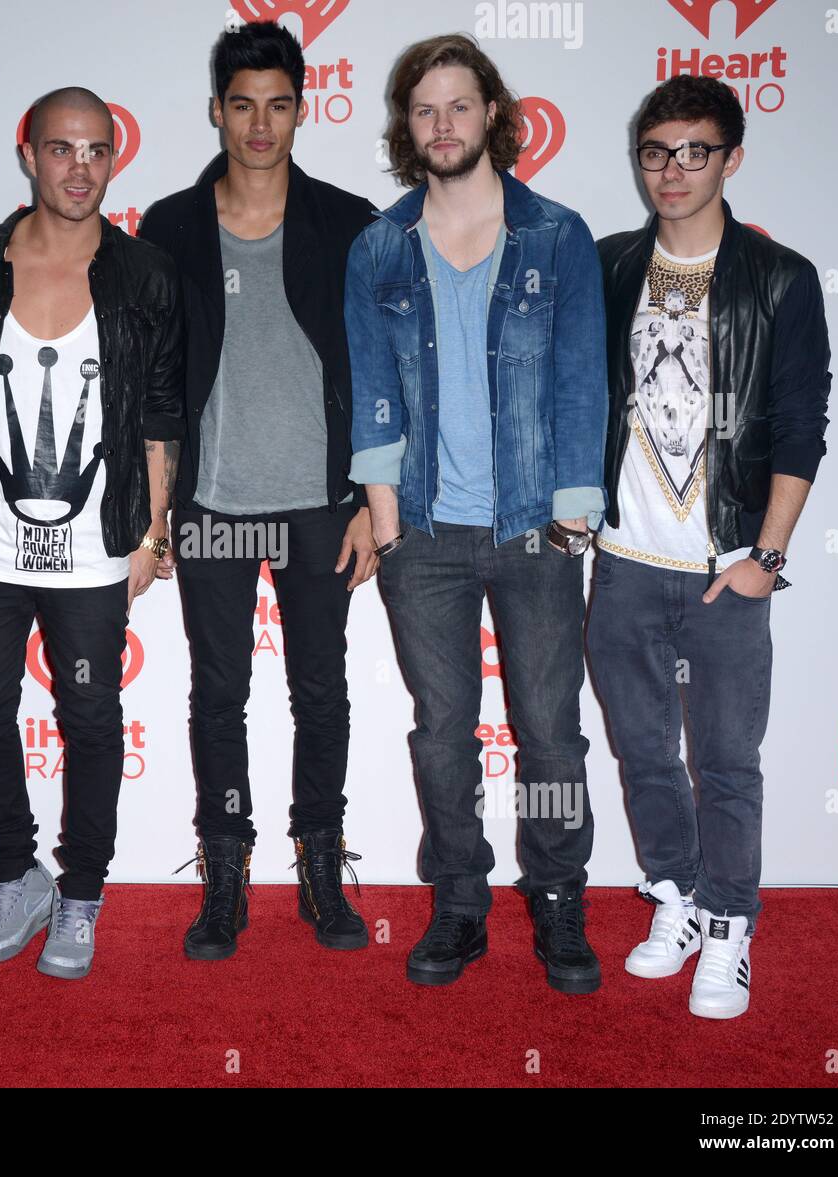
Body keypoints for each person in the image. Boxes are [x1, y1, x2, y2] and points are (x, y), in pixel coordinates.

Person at [346, 34, 607, 991]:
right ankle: (460, 902)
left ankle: (557, 898)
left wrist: (575, 506)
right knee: (442, 728)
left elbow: (583, 376)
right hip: (422, 532)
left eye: (459, 105)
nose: (443, 124)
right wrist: (383, 515)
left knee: (549, 730)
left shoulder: (557, 235)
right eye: (425, 109)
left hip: (537, 527)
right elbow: (372, 389)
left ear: (493, 113)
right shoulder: (380, 244)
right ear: (406, 127)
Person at [588, 74, 831, 1019]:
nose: (674, 170)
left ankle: (731, 925)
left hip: (726, 570)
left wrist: (764, 558)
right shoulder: (611, 268)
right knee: (644, 753)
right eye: (657, 152)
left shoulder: (781, 278)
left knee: (726, 760)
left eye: (695, 150)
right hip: (624, 563)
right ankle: (678, 898)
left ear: (732, 156)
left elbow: (802, 425)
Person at [139, 20, 378, 960]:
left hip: (320, 499)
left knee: (322, 690)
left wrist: (370, 494)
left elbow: (377, 371)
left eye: (279, 104)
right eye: (243, 105)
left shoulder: (348, 220)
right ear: (216, 111)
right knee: (218, 691)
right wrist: (154, 514)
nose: (261, 124)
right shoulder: (169, 225)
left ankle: (321, 867)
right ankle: (227, 872)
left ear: (302, 109)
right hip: (210, 501)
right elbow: (153, 382)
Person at [0, 86, 184, 980]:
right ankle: (17, 873)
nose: (78, 168)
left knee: (89, 717)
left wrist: (152, 537)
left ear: (113, 157)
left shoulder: (146, 275)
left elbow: (164, 417)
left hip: (97, 547)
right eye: (60, 149)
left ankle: (81, 890)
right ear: (28, 154)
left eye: (95, 150)